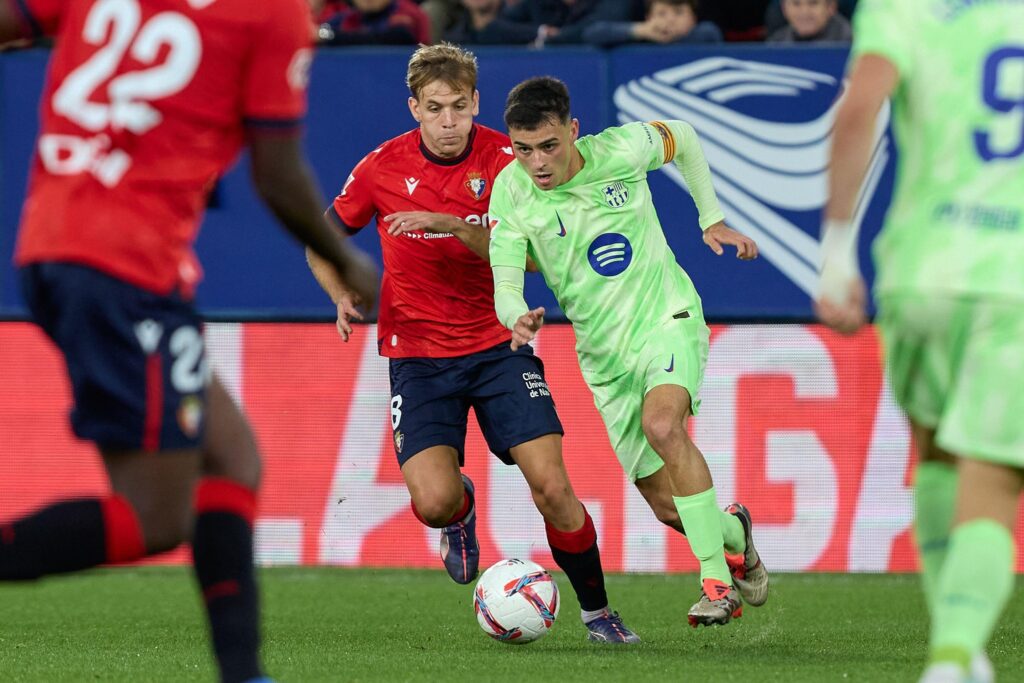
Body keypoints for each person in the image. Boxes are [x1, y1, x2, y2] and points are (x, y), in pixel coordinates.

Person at [0, 1, 378, 682]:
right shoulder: (271, 14)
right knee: (155, 517)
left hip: (61, 245)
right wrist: (347, 262)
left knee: (230, 455)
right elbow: (278, 171)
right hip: (123, 265)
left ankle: (243, 673)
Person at [306, 43, 641, 644]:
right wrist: (337, 292)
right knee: (432, 501)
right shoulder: (381, 167)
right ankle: (459, 514)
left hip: (498, 347)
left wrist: (454, 226)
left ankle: (598, 614)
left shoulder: (510, 163)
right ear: (414, 107)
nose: (448, 121)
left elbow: (536, 258)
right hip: (418, 358)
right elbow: (321, 235)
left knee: (554, 488)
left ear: (476, 102)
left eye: (459, 106)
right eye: (434, 108)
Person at [488, 76, 768, 627]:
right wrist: (513, 314)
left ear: (573, 131)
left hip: (667, 317)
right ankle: (735, 532)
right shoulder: (510, 191)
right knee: (668, 507)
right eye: (523, 150)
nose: (538, 162)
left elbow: (683, 136)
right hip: (604, 356)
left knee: (664, 426)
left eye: (549, 145)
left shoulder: (621, 148)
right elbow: (504, 278)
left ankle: (716, 583)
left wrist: (709, 217)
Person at [816, 1, 1023, 681]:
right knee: (992, 481)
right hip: (1012, 283)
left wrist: (837, 254)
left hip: (920, 272)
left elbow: (857, 110)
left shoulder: (903, 6)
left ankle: (964, 657)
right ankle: (954, 651)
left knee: (934, 456)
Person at [582, 0, 722, 48]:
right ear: (648, 17)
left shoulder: (705, 33)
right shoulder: (640, 37)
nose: (670, 20)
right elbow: (592, 34)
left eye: (678, 12)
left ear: (693, 18)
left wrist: (670, 38)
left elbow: (710, 33)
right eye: (661, 13)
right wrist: (640, 30)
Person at [765, 0, 851, 43]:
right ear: (784, 9)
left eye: (813, 3)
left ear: (831, 7)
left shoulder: (853, 43)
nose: (804, 12)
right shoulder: (776, 43)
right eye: (796, 3)